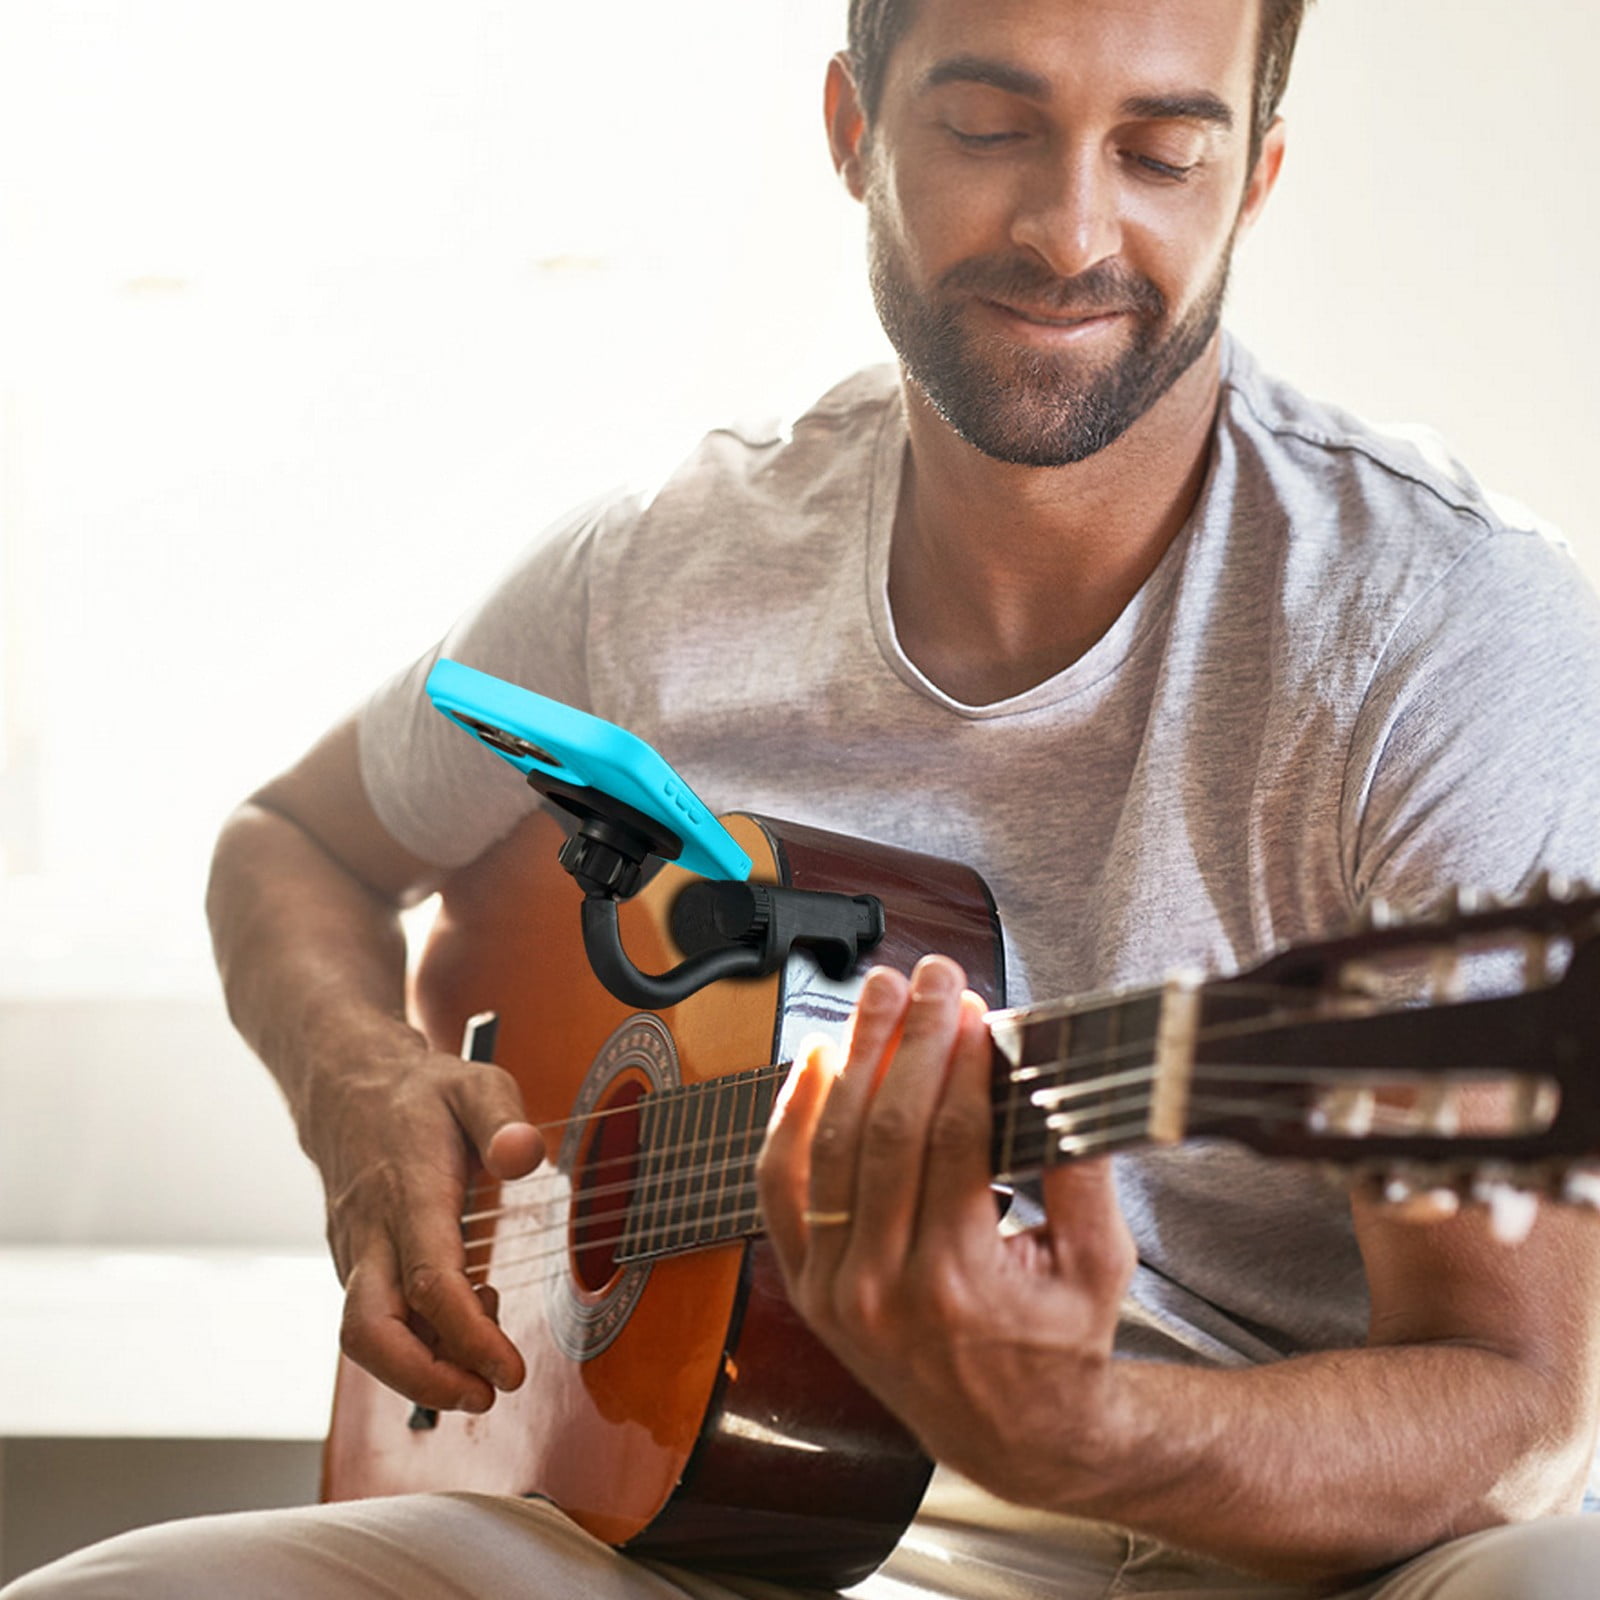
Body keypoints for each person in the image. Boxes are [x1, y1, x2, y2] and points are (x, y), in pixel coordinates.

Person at [10, 0, 1600, 1595]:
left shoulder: (1445, 630)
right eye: (989, 129)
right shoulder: (658, 570)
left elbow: (1521, 1410)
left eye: (1163, 152)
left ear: (1253, 176)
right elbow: (287, 848)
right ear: (853, 131)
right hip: (712, 1518)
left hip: (1272, 1536)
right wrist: (358, 1088)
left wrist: (1088, 1432)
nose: (1071, 230)